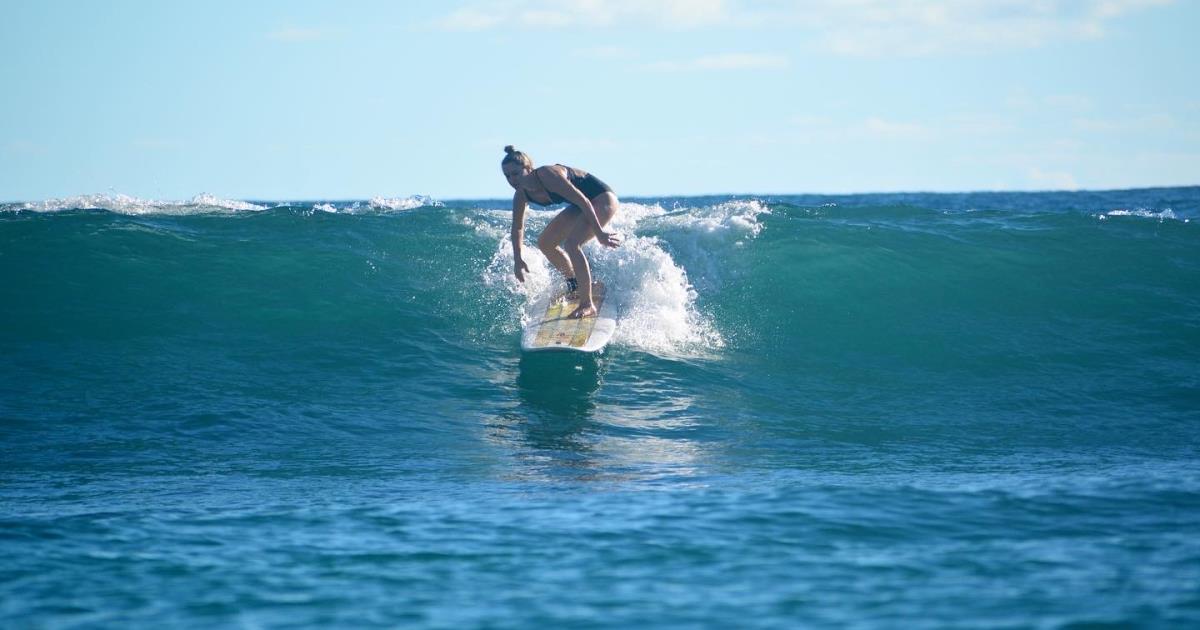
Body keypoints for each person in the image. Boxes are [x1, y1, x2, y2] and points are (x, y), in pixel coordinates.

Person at [501, 145, 622, 319]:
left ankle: (588, 305)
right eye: (507, 176)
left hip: (601, 198)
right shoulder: (521, 195)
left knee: (572, 244)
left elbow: (584, 201)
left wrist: (600, 233)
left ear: (529, 169)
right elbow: (517, 227)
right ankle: (574, 284)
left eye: (516, 174)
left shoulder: (548, 175)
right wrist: (518, 259)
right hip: (580, 205)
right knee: (545, 243)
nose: (512, 180)